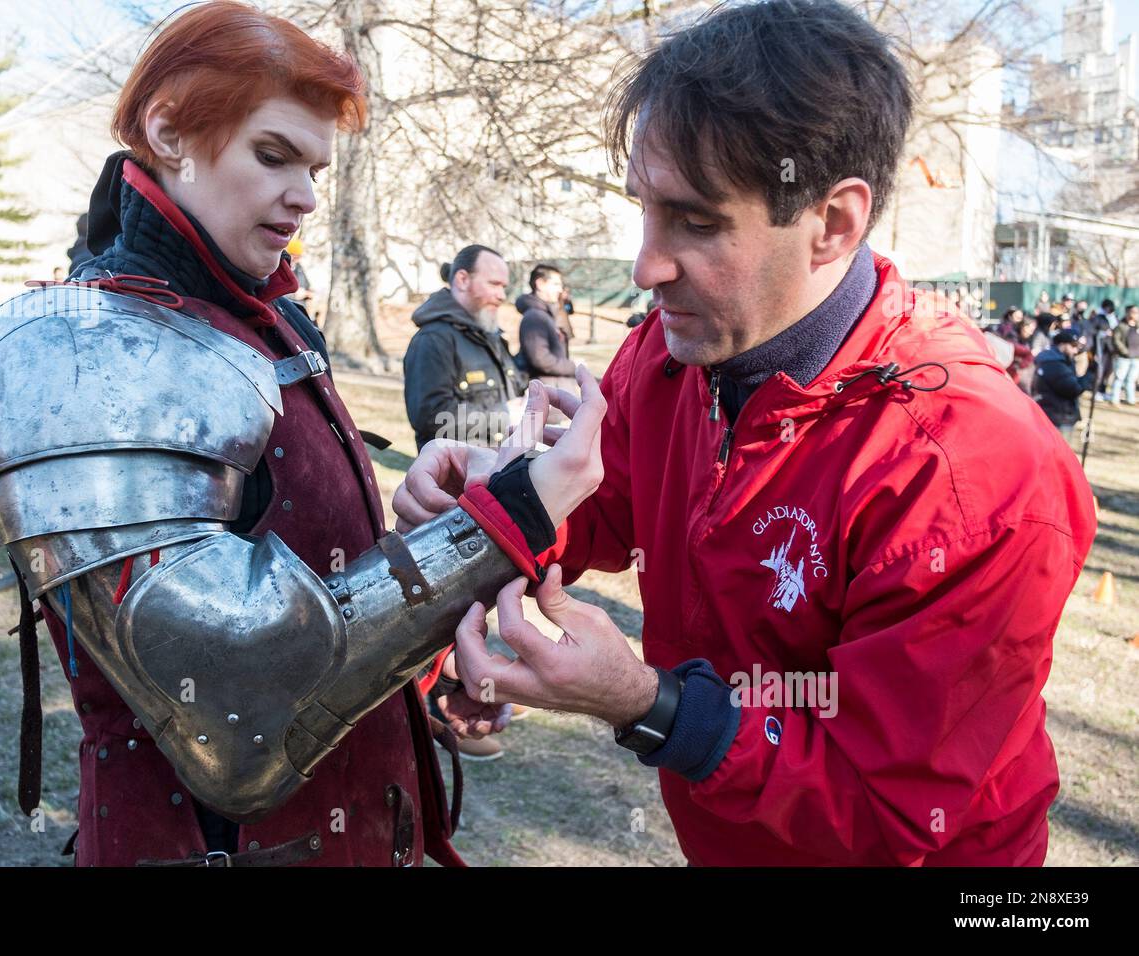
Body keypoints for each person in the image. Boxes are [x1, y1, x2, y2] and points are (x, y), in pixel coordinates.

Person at [395, 0, 1097, 866]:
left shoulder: (966, 474)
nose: (648, 266)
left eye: (696, 222)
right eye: (644, 210)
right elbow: (605, 502)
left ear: (834, 224)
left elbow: (889, 819)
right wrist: (493, 506)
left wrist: (646, 704)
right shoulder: (676, 349)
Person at [0, 1, 603, 867]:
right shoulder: (75, 354)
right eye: (272, 156)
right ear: (169, 128)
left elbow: (307, 590)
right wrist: (520, 508)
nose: (303, 195)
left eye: (314, 168)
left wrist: (420, 592)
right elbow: (236, 712)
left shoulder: (275, 321)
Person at [403, 244, 526, 450]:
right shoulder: (433, 340)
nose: (502, 295)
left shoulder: (490, 336)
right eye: (494, 284)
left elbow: (514, 393)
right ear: (462, 280)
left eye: (504, 286)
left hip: (501, 468)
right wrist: (503, 416)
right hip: (462, 476)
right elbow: (430, 418)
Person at [515, 264, 577, 388]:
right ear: (540, 284)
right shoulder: (534, 317)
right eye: (555, 284)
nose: (560, 290)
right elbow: (541, 360)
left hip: (554, 387)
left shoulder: (545, 314)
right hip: (546, 392)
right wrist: (573, 366)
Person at [1033, 330, 1096, 445]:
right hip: (1058, 416)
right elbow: (1073, 388)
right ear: (1062, 344)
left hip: (1057, 413)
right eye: (1073, 346)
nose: (1076, 350)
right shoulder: (1054, 363)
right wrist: (1089, 375)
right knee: (1058, 455)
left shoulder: (1059, 360)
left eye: (1078, 347)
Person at [1109, 305, 1139, 405]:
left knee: (1131, 380)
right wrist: (1125, 351)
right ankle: (1114, 399)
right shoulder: (1120, 326)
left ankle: (1130, 400)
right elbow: (1116, 340)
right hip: (1123, 357)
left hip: (1136, 358)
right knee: (1119, 379)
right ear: (1127, 313)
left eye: (1136, 312)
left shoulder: (1137, 326)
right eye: (1133, 312)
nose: (1135, 314)